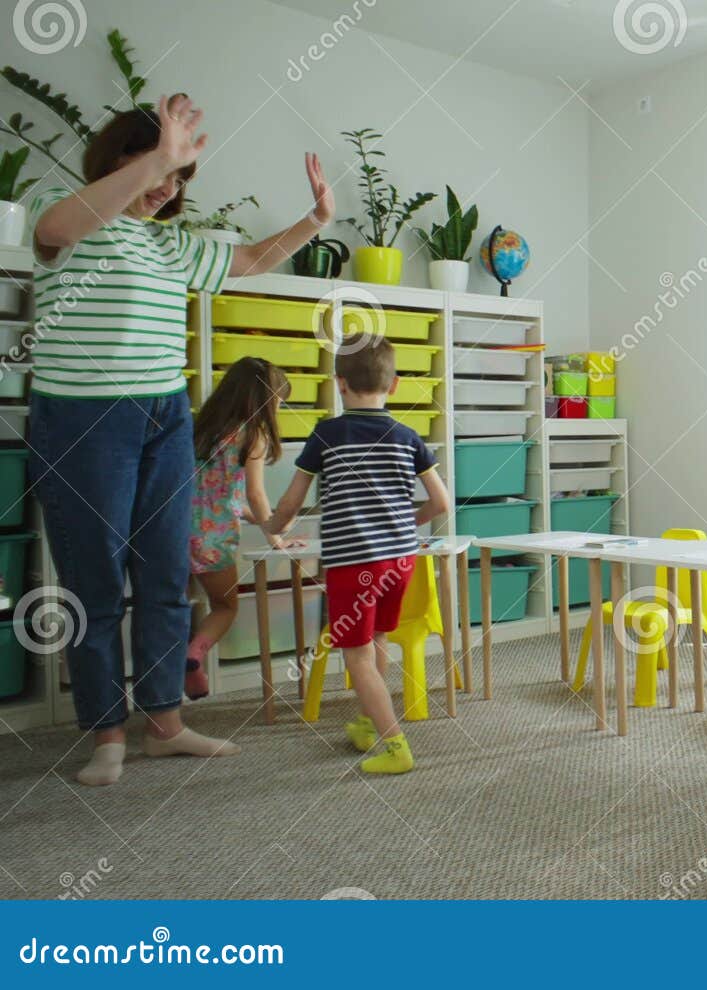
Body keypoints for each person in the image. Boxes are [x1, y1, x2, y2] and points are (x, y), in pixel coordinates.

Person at [28, 94, 333, 786]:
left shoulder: (170, 243)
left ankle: (164, 724)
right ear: (118, 160)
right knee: (95, 580)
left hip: (164, 416)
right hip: (82, 418)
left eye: (179, 176)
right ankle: (108, 733)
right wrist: (157, 161)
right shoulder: (66, 208)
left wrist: (315, 221)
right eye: (156, 166)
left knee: (166, 575)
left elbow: (251, 259)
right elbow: (55, 228)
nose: (168, 185)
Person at [265, 334, 450, 775]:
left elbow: (291, 504)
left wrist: (269, 526)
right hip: (401, 561)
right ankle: (371, 719)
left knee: (356, 654)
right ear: (395, 385)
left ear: (339, 384)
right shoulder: (408, 437)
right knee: (379, 638)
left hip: (354, 566)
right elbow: (441, 503)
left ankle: (395, 745)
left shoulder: (327, 434)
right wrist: (404, 526)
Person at [184, 358, 293, 700]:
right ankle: (194, 654)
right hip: (213, 541)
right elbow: (257, 494)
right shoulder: (253, 435)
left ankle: (172, 675)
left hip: (173, 532)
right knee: (225, 606)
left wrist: (247, 515)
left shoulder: (201, 428)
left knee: (175, 607)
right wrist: (275, 537)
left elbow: (217, 493)